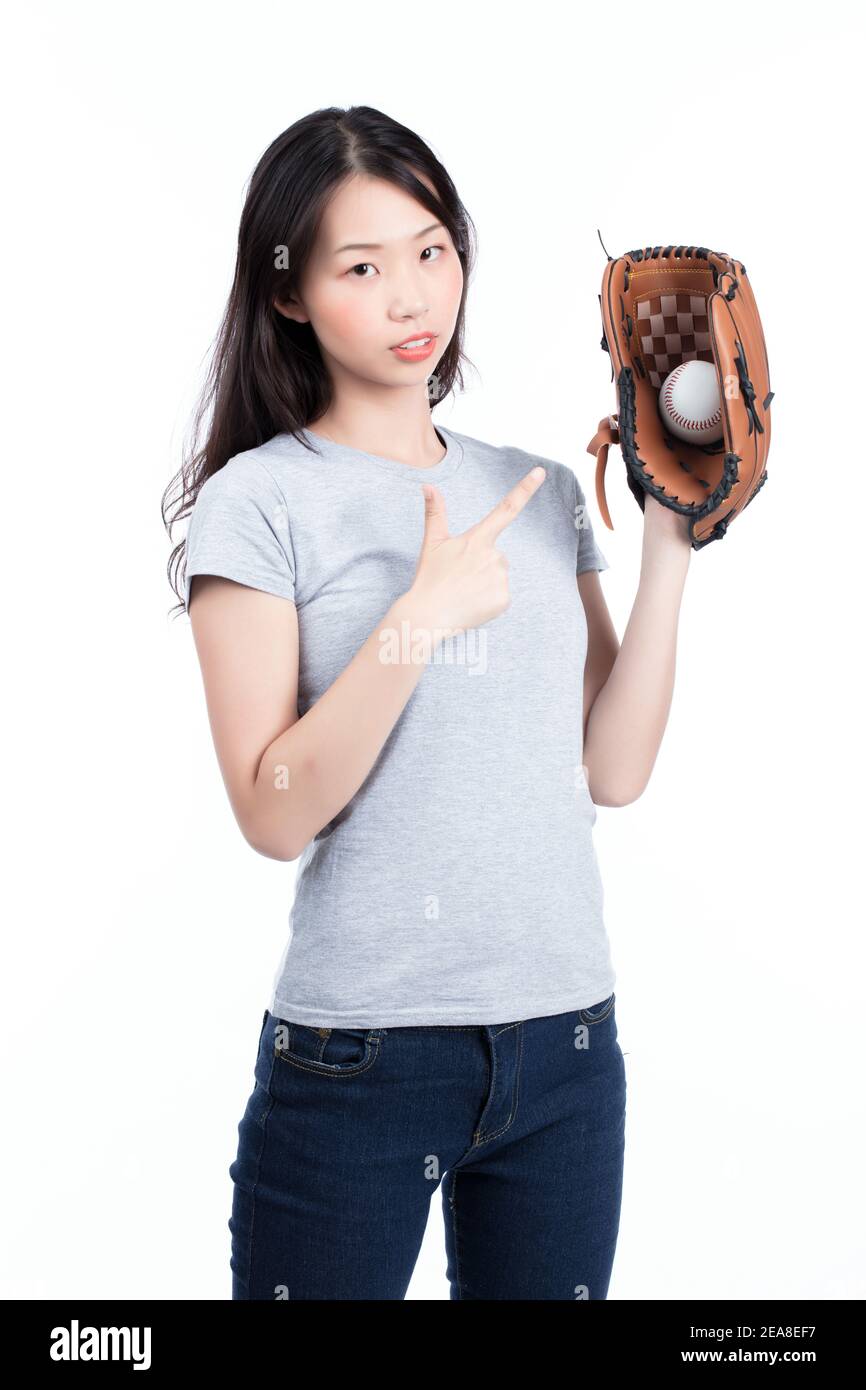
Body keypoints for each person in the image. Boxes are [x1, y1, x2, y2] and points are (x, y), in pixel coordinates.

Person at [163, 105, 693, 1300]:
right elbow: (271, 812)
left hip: (564, 1047)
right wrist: (414, 619)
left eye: (431, 249)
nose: (411, 296)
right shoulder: (261, 503)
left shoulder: (537, 487)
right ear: (289, 290)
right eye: (363, 265)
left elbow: (610, 769)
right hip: (358, 1063)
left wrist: (668, 538)